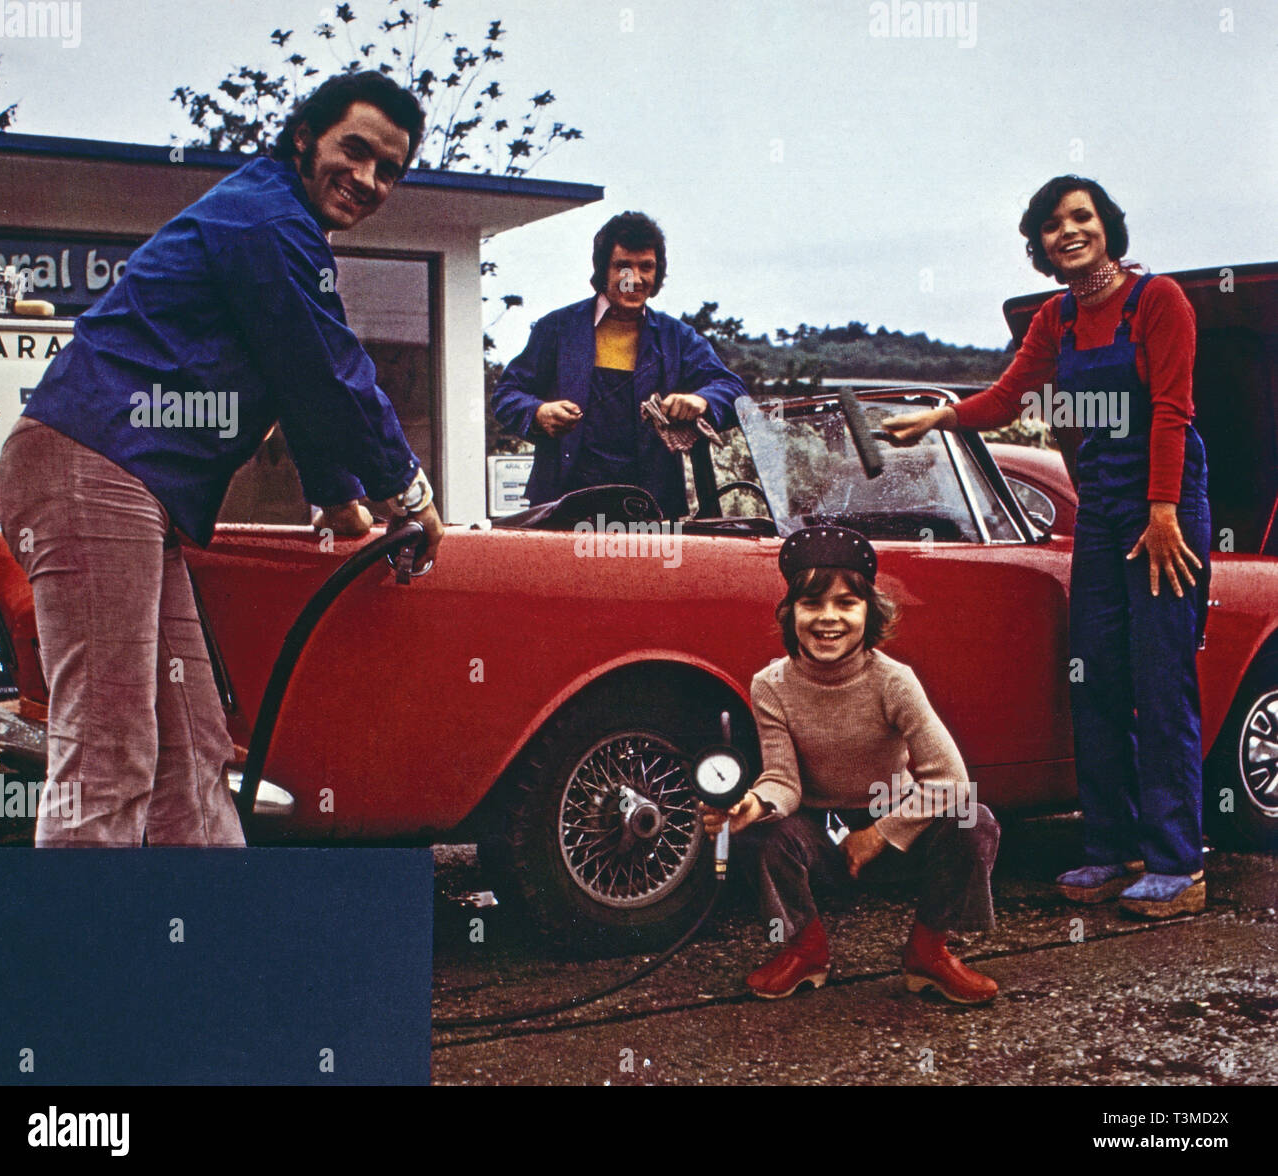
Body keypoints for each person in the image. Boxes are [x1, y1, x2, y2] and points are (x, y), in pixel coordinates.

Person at [0, 71, 444, 848]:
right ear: (305, 138)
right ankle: (73, 967)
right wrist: (408, 491)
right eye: (355, 150)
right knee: (110, 749)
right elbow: (324, 368)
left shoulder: (276, 223)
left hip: (129, 484)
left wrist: (338, 497)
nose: (368, 180)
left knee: (192, 752)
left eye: (389, 170)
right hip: (93, 465)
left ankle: (207, 952)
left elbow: (292, 376)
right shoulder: (267, 219)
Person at [882, 176, 1209, 918]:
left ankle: (1178, 865)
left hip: (1164, 500)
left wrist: (1162, 513)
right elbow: (1006, 398)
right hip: (1101, 507)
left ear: (1106, 226)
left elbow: (1170, 409)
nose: (1069, 231)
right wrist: (939, 419)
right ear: (1040, 244)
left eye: (1082, 217)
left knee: (1161, 682)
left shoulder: (1157, 301)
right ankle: (1114, 847)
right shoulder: (1056, 318)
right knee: (1093, 677)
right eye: (1053, 224)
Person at [702, 526, 1000, 1004]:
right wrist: (752, 805)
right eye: (811, 603)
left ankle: (930, 951)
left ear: (870, 611)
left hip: (893, 826)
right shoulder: (770, 685)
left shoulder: (894, 681)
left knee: (974, 821)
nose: (828, 619)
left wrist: (881, 833)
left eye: (846, 603)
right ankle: (806, 950)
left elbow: (952, 779)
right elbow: (782, 780)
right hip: (821, 833)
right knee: (760, 834)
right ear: (790, 613)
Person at [490, 211, 745, 519]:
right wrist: (538, 413)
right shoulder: (557, 329)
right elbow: (507, 394)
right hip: (563, 510)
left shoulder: (677, 337)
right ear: (603, 270)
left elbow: (734, 392)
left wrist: (700, 400)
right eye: (623, 266)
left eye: (646, 267)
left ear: (658, 273)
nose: (634, 279)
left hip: (652, 513)